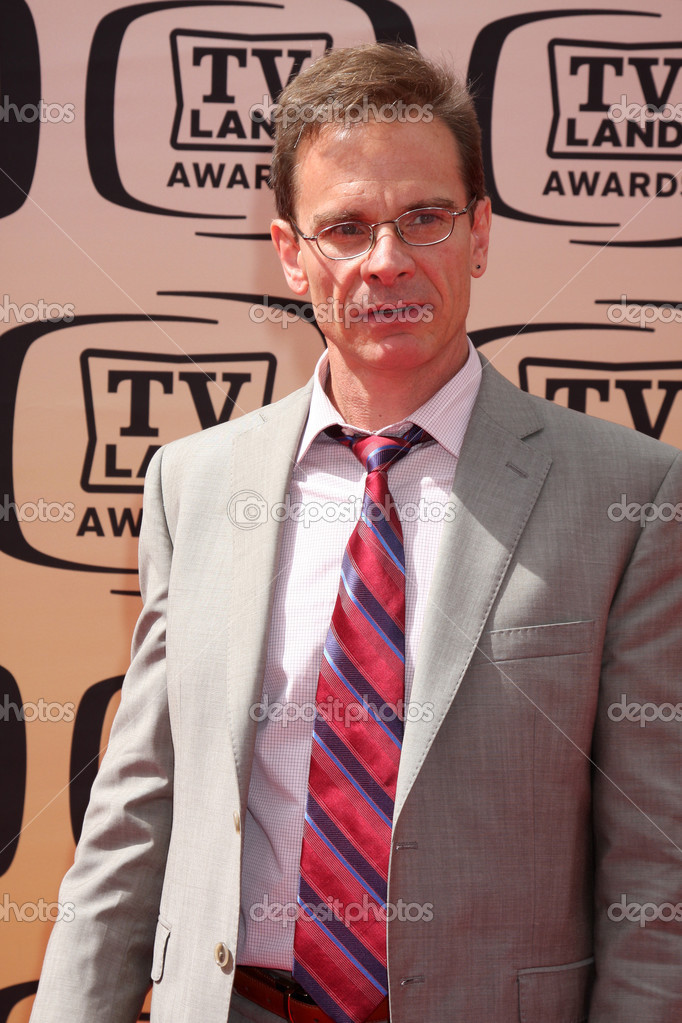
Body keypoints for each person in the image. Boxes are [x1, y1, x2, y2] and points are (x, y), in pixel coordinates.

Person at [30, 43, 681, 1023]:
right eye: (346, 227)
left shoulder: (627, 495)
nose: (387, 261)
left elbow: (654, 867)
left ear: (480, 234)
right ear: (292, 253)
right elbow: (134, 818)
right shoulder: (192, 485)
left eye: (424, 217)